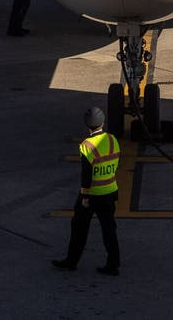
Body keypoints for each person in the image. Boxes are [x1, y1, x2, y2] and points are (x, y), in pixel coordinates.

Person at [52, 106, 120, 275]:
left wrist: (84, 196)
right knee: (109, 229)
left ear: (87, 125)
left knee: (79, 228)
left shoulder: (87, 146)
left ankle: (71, 261)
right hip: (110, 191)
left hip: (93, 194)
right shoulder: (112, 139)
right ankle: (113, 264)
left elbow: (86, 175)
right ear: (103, 123)